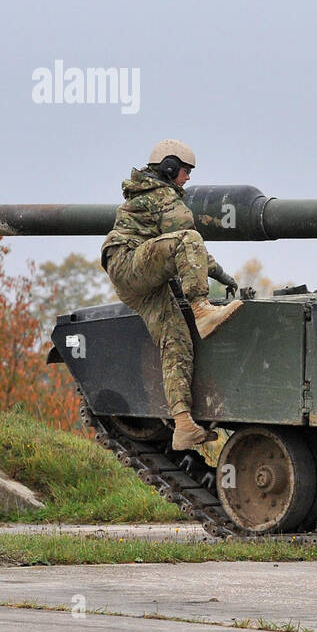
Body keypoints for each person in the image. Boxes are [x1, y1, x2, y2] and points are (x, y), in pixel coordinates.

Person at [100, 140, 242, 450]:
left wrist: (221, 275)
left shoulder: (149, 193)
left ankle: (182, 424)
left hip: (135, 277)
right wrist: (219, 276)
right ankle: (202, 310)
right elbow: (190, 243)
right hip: (129, 262)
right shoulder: (162, 196)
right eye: (185, 171)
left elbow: (190, 252)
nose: (188, 178)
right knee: (187, 238)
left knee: (176, 342)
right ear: (169, 167)